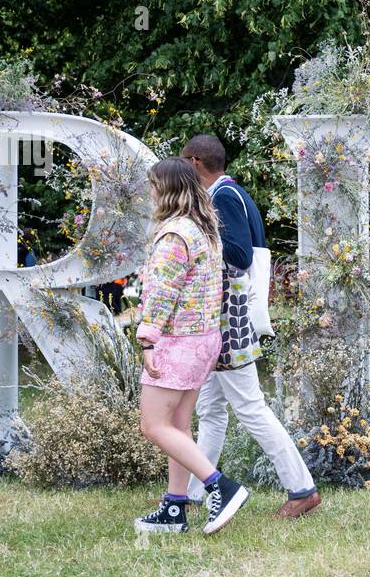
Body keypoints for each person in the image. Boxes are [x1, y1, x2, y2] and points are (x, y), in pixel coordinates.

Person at [180, 134, 322, 519]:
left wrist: (195, 242)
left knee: (251, 409)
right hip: (222, 321)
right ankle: (191, 493)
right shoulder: (232, 194)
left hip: (229, 324)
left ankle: (301, 488)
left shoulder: (223, 198)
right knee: (210, 410)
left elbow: (239, 256)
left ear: (194, 164)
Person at [133, 158, 250, 534]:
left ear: (165, 189)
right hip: (203, 341)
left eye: (153, 185)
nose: (150, 192)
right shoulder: (204, 230)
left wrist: (148, 339)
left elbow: (164, 293)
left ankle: (221, 486)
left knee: (153, 426)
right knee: (179, 428)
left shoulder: (174, 235)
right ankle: (174, 508)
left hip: (177, 341)